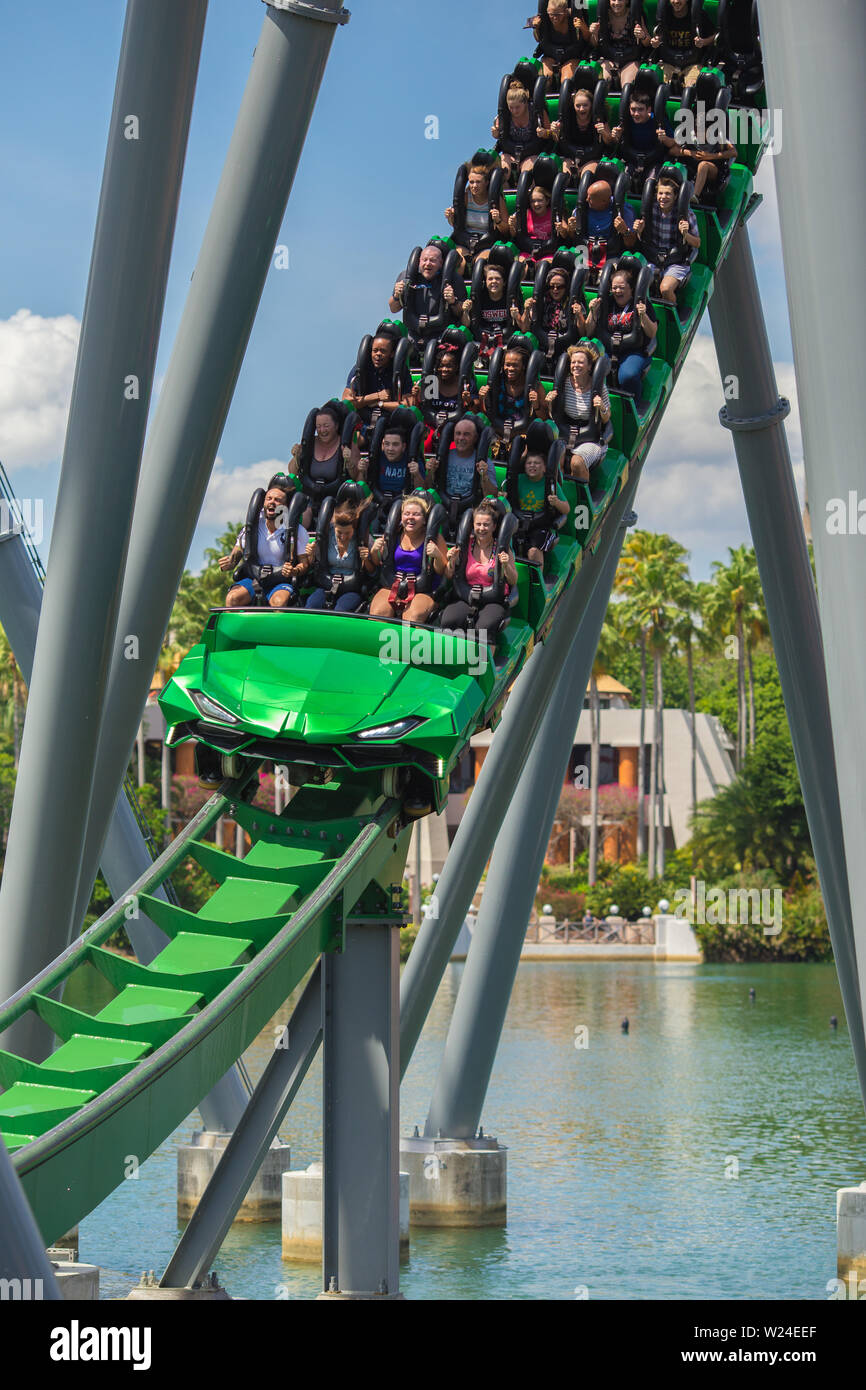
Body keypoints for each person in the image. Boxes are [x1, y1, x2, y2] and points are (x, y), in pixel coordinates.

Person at [218, 476, 312, 609]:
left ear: (286, 506)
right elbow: (237, 551)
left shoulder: (297, 531)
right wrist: (229, 562)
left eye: (278, 500)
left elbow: (304, 564)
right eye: (269, 499)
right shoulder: (253, 526)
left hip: (280, 581)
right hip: (254, 578)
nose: (272, 502)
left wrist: (294, 571)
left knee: (278, 602)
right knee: (233, 598)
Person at [439, 500, 519, 638]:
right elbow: (449, 574)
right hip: (466, 596)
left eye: (486, 525)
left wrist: (505, 565)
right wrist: (451, 560)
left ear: (494, 526)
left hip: (493, 599)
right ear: (473, 525)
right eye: (478, 524)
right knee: (449, 620)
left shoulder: (502, 549)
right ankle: (451, 656)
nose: (482, 528)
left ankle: (486, 656)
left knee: (483, 628)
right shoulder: (464, 546)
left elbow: (513, 580)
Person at [367, 493, 448, 623]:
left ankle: (408, 643)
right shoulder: (393, 535)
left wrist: (437, 555)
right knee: (378, 614)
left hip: (423, 589)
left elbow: (441, 571)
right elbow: (378, 563)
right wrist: (374, 551)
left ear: (424, 519)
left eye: (416, 514)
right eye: (407, 514)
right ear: (401, 516)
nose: (410, 517)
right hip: (392, 586)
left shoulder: (435, 538)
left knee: (412, 618)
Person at [584, 261, 658, 397]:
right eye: (614, 288)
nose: (617, 291)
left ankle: (633, 405)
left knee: (627, 376)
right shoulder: (607, 303)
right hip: (607, 349)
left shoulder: (642, 304)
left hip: (633, 350)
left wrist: (643, 316)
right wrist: (592, 312)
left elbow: (652, 332)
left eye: (622, 288)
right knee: (592, 368)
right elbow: (588, 332)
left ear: (631, 289)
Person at [546, 340, 612, 481]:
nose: (576, 365)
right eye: (573, 362)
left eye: (581, 362)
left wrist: (601, 407)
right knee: (555, 458)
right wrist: (550, 403)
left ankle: (581, 497)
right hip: (565, 432)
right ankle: (557, 494)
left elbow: (606, 419)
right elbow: (554, 415)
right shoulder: (564, 384)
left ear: (589, 366)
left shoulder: (600, 387)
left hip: (590, 437)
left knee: (576, 462)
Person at [633, 171, 701, 303]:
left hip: (676, 261)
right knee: (638, 285)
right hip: (652, 258)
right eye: (660, 193)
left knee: (665, 289)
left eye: (668, 194)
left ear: (676, 196)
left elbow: (697, 243)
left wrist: (685, 234)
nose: (663, 197)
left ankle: (670, 316)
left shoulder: (687, 215)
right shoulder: (650, 210)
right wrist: (639, 230)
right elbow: (643, 238)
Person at [389, 241, 465, 350]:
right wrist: (397, 296)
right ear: (419, 261)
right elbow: (393, 308)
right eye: (424, 260)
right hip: (413, 335)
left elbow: (461, 313)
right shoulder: (406, 277)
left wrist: (453, 301)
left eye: (433, 261)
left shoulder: (454, 279)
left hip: (442, 336)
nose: (428, 264)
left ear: (441, 263)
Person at [445, 156, 509, 271]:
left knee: (479, 264)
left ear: (486, 182)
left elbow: (506, 230)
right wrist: (451, 218)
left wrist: (498, 221)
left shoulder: (497, 200)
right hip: (465, 242)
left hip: (486, 244)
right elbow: (456, 225)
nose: (474, 186)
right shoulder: (465, 198)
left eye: (478, 182)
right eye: (472, 182)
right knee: (457, 262)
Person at [342, 325, 411, 430]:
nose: (378, 354)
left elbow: (407, 405)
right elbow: (347, 402)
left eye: (383, 351)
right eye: (375, 350)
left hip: (389, 422)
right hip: (363, 420)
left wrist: (381, 404)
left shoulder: (401, 371)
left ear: (392, 353)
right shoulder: (360, 368)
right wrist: (377, 396)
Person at [511, 445, 571, 566]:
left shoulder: (550, 484)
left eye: (537, 463)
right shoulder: (518, 480)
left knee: (533, 551)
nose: (532, 465)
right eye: (529, 463)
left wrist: (557, 503)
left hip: (541, 525)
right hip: (519, 522)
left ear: (544, 468)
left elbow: (567, 509)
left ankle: (537, 580)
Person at [607, 88, 678, 188]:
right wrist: (615, 136)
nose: (636, 114)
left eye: (640, 110)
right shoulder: (626, 121)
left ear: (648, 109)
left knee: (651, 184)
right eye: (633, 109)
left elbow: (673, 143)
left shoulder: (658, 121)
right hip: (632, 160)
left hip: (653, 161)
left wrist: (664, 138)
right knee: (622, 181)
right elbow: (616, 143)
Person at [305, 507, 368, 613]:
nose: (343, 537)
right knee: (312, 606)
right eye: (339, 533)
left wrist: (366, 559)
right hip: (327, 583)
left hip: (351, 588)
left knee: (341, 610)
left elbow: (371, 570)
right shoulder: (326, 536)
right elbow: (312, 563)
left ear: (354, 529)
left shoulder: (363, 539)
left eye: (347, 533)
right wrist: (311, 554)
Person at [463, 258, 520, 363]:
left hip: (505, 341)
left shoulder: (510, 298)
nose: (494, 282)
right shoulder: (480, 297)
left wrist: (517, 317)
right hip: (482, 339)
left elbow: (523, 327)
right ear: (485, 282)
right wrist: (466, 311)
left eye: (497, 279)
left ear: (504, 282)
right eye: (490, 279)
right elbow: (466, 324)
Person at [650, 0, 716, 90]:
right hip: (668, 61)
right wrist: (656, 40)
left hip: (693, 63)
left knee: (696, 87)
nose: (676, 1)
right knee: (656, 85)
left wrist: (703, 42)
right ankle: (658, 103)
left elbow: (715, 36)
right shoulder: (665, 14)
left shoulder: (698, 15)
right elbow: (659, 34)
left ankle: (701, 104)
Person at [493, 80, 552, 178]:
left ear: (525, 103)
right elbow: (500, 136)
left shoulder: (536, 112)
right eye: (511, 107)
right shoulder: (504, 115)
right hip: (510, 153)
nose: (514, 111)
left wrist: (544, 133)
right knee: (502, 172)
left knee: (526, 173)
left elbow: (551, 134)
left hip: (532, 153)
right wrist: (496, 134)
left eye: (517, 107)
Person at [589, 0, 652, 88]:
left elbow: (648, 43)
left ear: (626, 1)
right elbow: (594, 44)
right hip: (609, 59)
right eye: (613, 0)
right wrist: (594, 33)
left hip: (630, 60)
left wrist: (642, 36)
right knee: (603, 83)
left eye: (621, 0)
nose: (617, 3)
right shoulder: (604, 15)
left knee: (627, 85)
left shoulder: (634, 15)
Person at [532, 0, 590, 88]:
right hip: (550, 54)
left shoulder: (577, 6)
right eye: (552, 15)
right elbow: (538, 39)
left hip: (573, 55)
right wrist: (536, 28)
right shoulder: (546, 12)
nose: (554, 18)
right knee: (545, 78)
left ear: (566, 12)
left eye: (558, 15)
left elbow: (587, 37)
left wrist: (581, 26)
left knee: (566, 80)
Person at [553, 83, 605, 178]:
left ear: (591, 105)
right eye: (578, 106)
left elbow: (609, 141)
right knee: (564, 175)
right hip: (570, 157)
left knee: (586, 176)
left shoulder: (598, 118)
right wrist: (555, 132)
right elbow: (558, 140)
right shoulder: (568, 117)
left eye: (585, 105)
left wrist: (604, 132)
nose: (581, 109)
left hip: (592, 158)